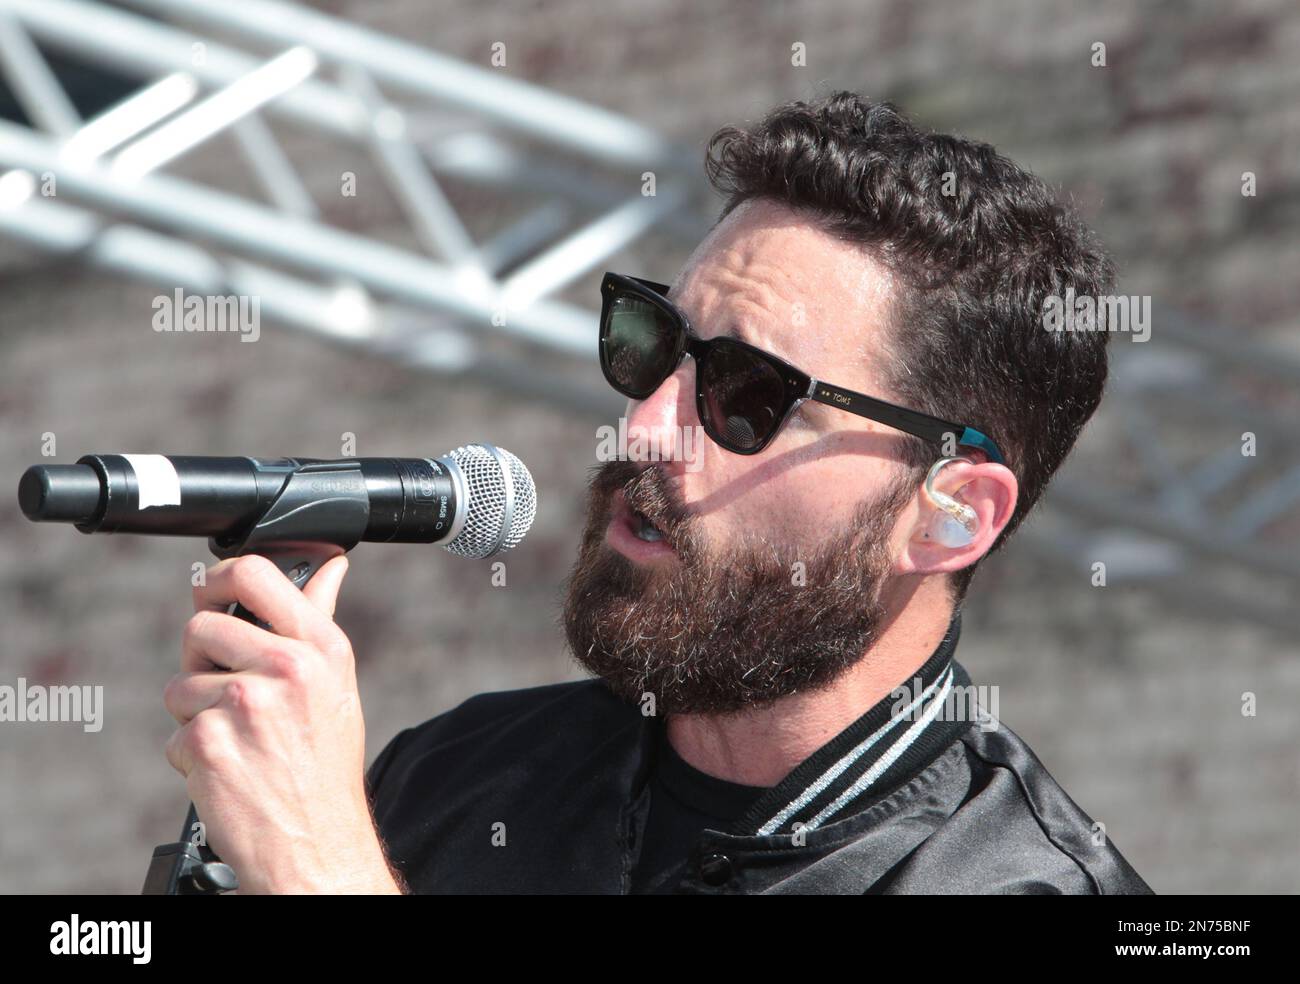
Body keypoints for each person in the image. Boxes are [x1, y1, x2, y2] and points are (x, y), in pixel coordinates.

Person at [163, 92, 1152, 894]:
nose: (642, 428)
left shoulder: (1015, 884)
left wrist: (325, 874)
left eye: (747, 396)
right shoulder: (464, 770)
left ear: (949, 513)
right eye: (653, 347)